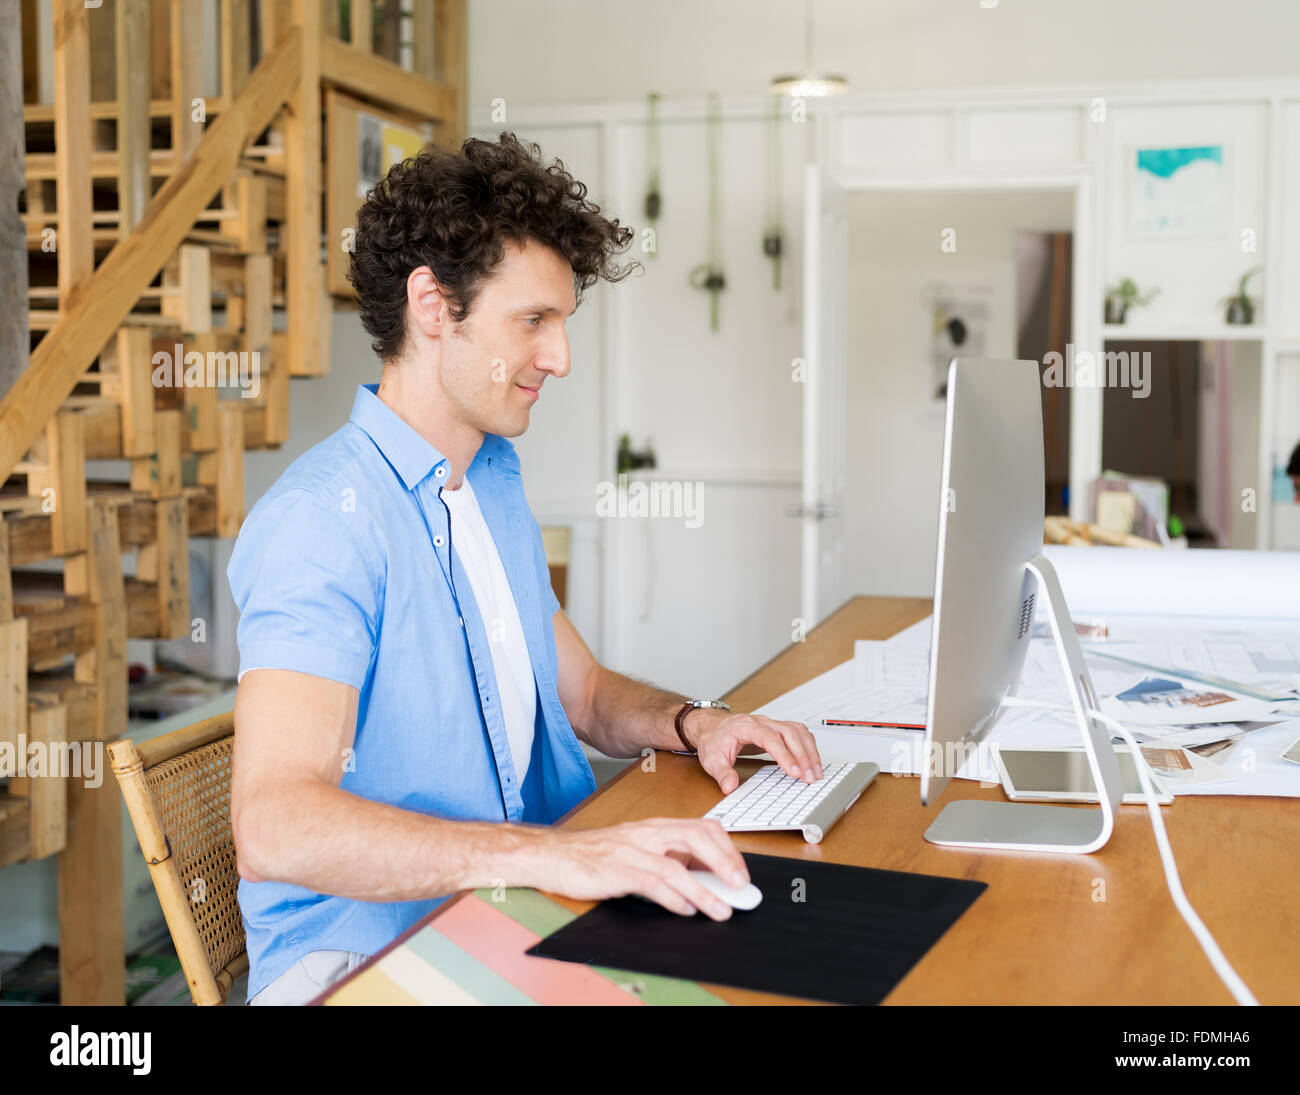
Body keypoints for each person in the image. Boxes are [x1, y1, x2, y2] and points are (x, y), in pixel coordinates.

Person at [228, 133, 823, 1005]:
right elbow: (274, 825)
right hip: (362, 959)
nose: (560, 358)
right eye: (533, 321)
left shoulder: (491, 477)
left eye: (563, 323)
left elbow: (579, 693)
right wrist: (549, 852)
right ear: (433, 304)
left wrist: (693, 722)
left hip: (513, 909)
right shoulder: (323, 520)